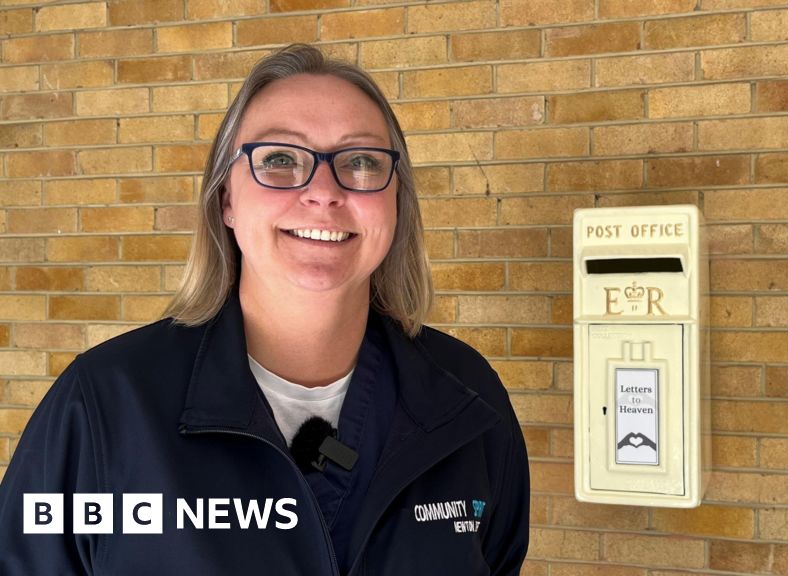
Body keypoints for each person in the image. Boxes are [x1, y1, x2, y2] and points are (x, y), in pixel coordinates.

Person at [0, 44, 530, 575]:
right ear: (226, 199)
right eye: (279, 159)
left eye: (362, 161)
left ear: (396, 202)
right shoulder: (104, 406)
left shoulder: (467, 402)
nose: (323, 192)